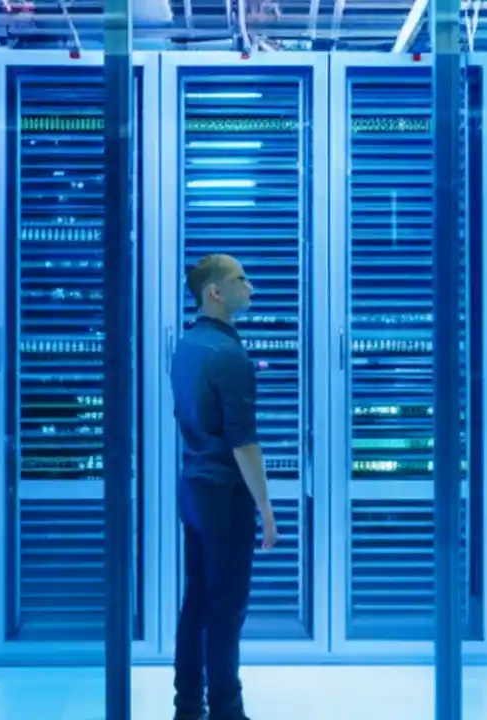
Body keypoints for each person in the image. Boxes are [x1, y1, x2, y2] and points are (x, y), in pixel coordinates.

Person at [171, 253, 279, 720]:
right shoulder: (230, 356)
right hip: (224, 496)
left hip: (193, 489)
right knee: (226, 608)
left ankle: (188, 707)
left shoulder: (187, 346)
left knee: (196, 599)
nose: (250, 287)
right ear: (215, 292)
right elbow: (244, 444)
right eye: (241, 278)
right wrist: (267, 510)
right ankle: (227, 711)